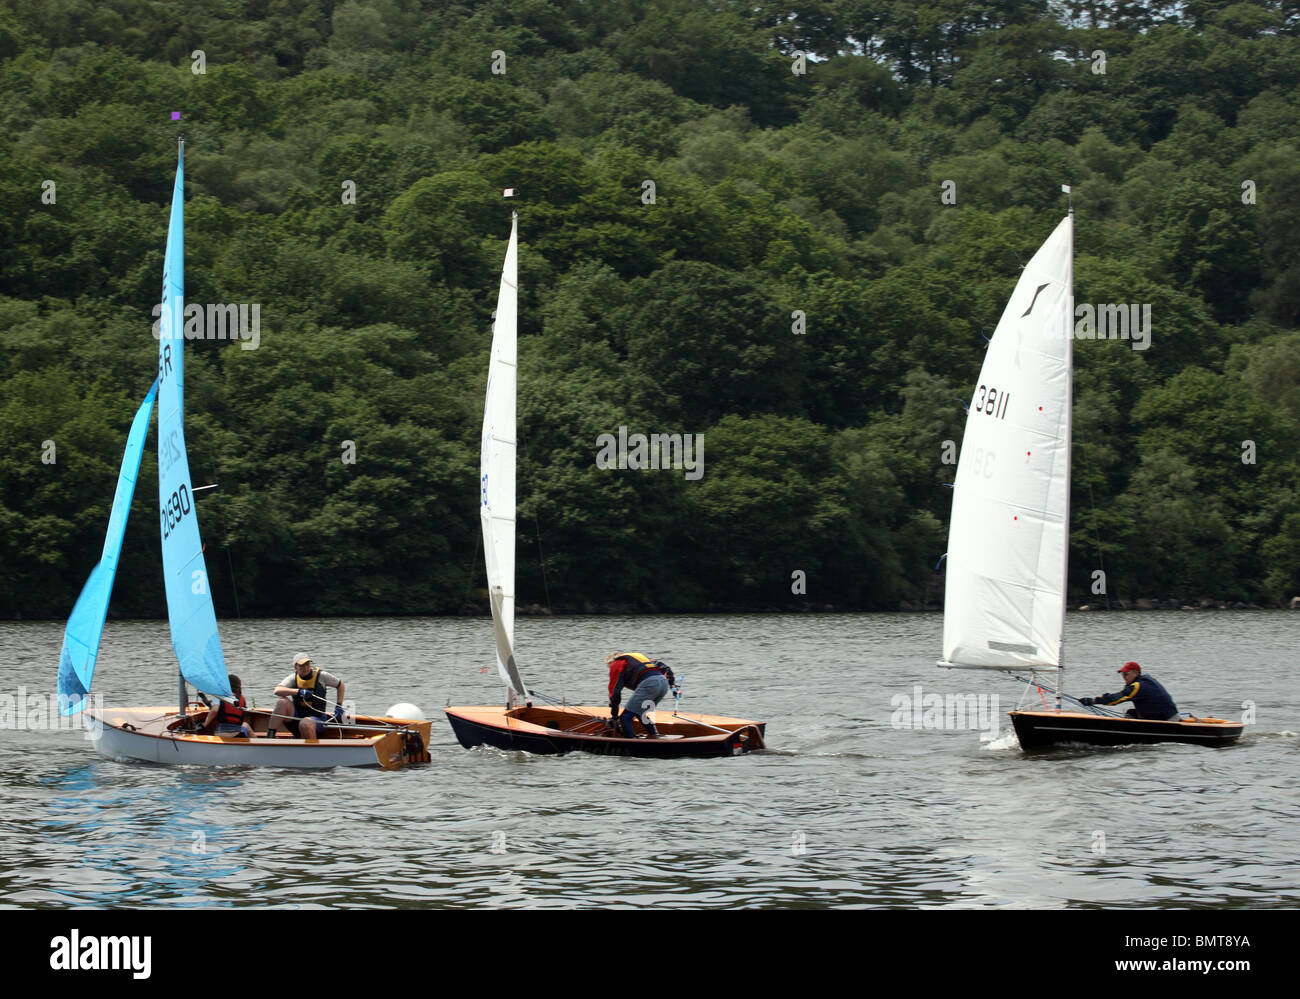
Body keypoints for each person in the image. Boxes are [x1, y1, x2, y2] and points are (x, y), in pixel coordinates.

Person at [264, 653, 346, 739]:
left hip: (317, 720)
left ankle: (311, 748)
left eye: (307, 664)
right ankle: (270, 737)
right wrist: (298, 691)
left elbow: (340, 685)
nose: (305, 668)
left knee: (305, 723)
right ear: (295, 667)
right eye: (302, 666)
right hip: (296, 719)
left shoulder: (322, 676)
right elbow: (277, 691)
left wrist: (339, 705)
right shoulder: (293, 678)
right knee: (282, 702)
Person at [606, 652, 675, 739]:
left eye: (609, 668)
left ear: (611, 662)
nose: (610, 670)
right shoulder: (639, 659)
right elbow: (665, 668)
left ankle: (630, 742)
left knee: (625, 717)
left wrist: (614, 717)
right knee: (640, 713)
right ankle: (654, 736)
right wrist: (672, 685)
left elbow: (615, 692)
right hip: (663, 683)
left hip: (650, 684)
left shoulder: (617, 664)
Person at [1080, 661, 1179, 720]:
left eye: (1126, 674)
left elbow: (1115, 699)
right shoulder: (1145, 681)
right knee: (1130, 713)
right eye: (1122, 674)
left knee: (1130, 715)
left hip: (1168, 721)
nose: (1124, 677)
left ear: (1135, 673)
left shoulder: (1138, 686)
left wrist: (1093, 701)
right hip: (1165, 716)